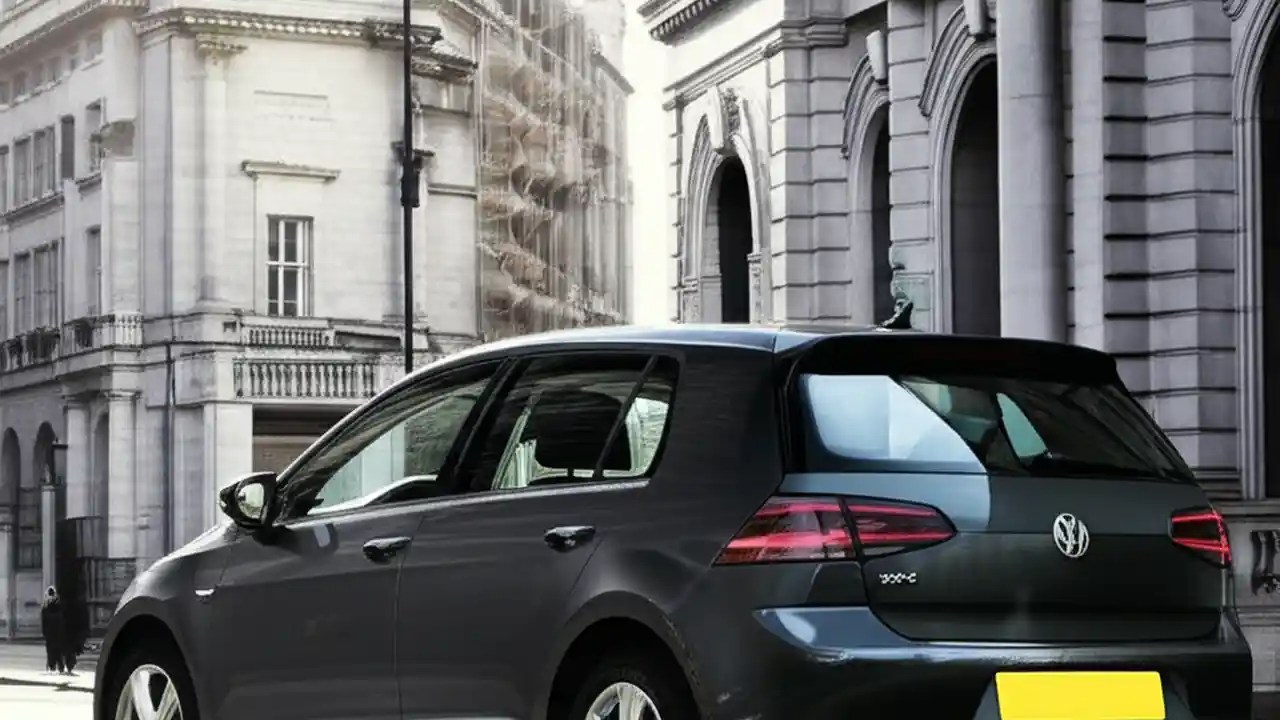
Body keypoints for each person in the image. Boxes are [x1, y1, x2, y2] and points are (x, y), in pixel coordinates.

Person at [40, 587, 66, 675]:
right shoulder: (58, 605)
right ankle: (59, 667)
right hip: (56, 632)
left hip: (52, 632)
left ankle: (53, 667)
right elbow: (62, 619)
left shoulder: (46, 607)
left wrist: (44, 633)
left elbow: (44, 622)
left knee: (52, 650)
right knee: (57, 651)